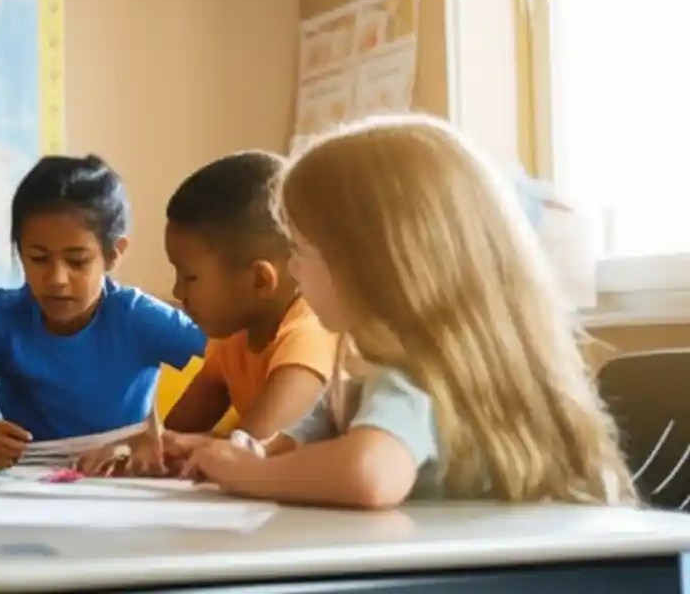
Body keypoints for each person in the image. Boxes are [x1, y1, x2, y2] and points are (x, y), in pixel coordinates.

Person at [181, 114, 636, 507]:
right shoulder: (375, 373)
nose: (293, 268)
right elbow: (295, 442)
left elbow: (369, 474)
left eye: (301, 249)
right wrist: (238, 455)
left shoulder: (420, 377)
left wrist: (247, 475)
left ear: (372, 266)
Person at [0, 155, 206, 470]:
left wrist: (160, 435)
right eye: (38, 258)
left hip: (123, 478)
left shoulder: (138, 317)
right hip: (28, 483)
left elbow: (237, 354)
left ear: (113, 255)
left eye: (77, 261)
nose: (56, 279)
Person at [77, 151, 338, 475]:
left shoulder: (306, 335)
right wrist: (138, 444)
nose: (177, 292)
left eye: (190, 277)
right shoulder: (234, 338)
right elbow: (177, 433)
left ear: (259, 280)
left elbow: (252, 451)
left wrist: (177, 446)